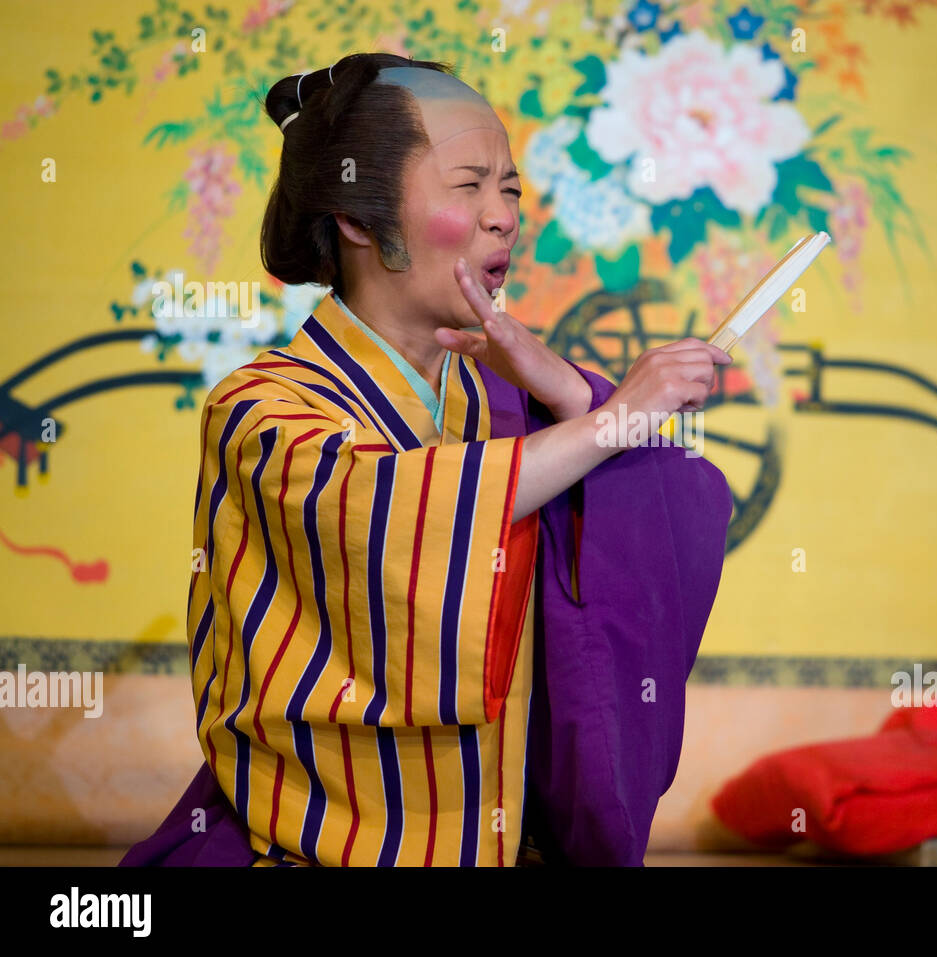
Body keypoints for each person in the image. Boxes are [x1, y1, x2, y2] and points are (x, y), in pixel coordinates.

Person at [120, 53, 732, 867]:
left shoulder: (508, 405)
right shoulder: (263, 410)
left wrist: (567, 389)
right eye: (469, 185)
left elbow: (676, 515)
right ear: (359, 219)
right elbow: (386, 508)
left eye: (510, 189)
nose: (503, 216)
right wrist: (612, 416)